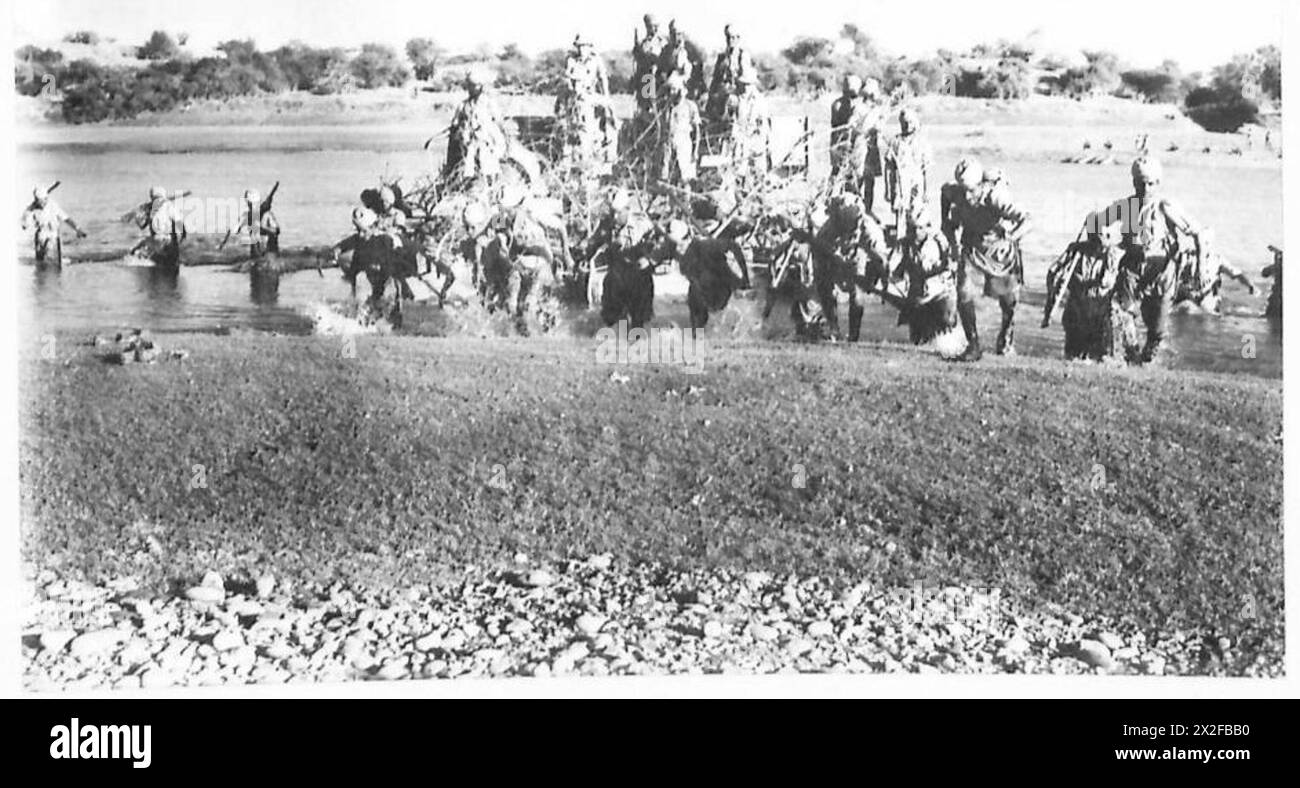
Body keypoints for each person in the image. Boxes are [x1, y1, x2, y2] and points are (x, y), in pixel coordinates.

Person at [1097, 156, 1205, 364]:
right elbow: (1096, 222)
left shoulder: (1166, 207)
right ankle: (1131, 355)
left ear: (1158, 184)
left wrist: (1199, 267)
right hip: (1133, 267)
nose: (1145, 189)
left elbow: (1198, 233)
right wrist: (1105, 241)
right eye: (1141, 184)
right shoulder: (1125, 206)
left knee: (1157, 329)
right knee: (1120, 311)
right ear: (1134, 183)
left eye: (1151, 184)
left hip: (1162, 271)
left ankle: (1148, 359)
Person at [940, 157, 1031, 360]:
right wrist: (946, 225)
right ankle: (973, 345)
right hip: (972, 248)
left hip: (999, 254)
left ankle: (1006, 340)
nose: (967, 196)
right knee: (963, 291)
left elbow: (1027, 219)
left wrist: (1011, 237)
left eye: (971, 191)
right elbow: (944, 193)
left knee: (1008, 301)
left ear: (980, 185)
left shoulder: (996, 197)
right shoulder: (956, 192)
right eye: (964, 191)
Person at [659, 218, 750, 331]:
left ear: (687, 239)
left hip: (720, 288)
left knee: (698, 291)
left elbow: (734, 246)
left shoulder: (707, 246)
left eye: (679, 244)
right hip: (701, 291)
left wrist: (744, 277)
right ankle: (699, 332)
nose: (678, 249)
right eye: (673, 244)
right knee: (695, 293)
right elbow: (656, 256)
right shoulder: (674, 249)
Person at [445, 73, 507, 185]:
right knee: (468, 171)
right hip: (468, 144)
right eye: (470, 85)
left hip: (487, 143)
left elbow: (498, 121)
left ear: (480, 86)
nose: (472, 88)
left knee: (489, 169)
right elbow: (455, 124)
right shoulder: (463, 105)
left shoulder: (489, 103)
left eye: (474, 85)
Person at [882, 107, 934, 239]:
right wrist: (888, 189)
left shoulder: (922, 142)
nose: (907, 125)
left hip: (916, 181)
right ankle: (900, 242)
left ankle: (914, 242)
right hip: (900, 181)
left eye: (910, 122)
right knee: (900, 212)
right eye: (904, 122)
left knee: (916, 212)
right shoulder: (895, 142)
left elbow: (926, 168)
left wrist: (927, 190)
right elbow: (888, 167)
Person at [20, 185, 85, 267]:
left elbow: (66, 218)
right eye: (39, 202)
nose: (42, 204)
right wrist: (25, 223)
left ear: (46, 199)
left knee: (54, 264)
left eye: (43, 201)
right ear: (36, 200)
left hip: (53, 236)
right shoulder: (31, 208)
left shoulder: (53, 206)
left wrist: (77, 229)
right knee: (40, 264)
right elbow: (24, 222)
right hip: (40, 237)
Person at [658, 75, 701, 185]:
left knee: (685, 179)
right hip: (669, 146)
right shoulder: (666, 106)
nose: (671, 93)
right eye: (670, 90)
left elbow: (697, 131)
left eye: (674, 89)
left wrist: (695, 151)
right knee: (667, 178)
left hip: (684, 146)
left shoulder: (690, 106)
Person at [706, 24, 753, 123]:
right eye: (728, 37)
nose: (730, 40)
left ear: (738, 38)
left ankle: (740, 130)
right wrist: (712, 93)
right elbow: (716, 78)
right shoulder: (722, 57)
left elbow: (746, 77)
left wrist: (734, 85)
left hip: (739, 92)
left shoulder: (743, 55)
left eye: (732, 38)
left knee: (739, 108)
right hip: (723, 91)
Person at [729, 72, 771, 180]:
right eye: (744, 84)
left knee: (759, 167)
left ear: (753, 85)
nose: (746, 87)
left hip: (756, 137)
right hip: (742, 137)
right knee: (739, 167)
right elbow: (735, 119)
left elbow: (764, 123)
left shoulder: (760, 101)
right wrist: (736, 133)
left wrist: (762, 138)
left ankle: (759, 188)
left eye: (748, 85)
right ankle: (741, 188)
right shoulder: (739, 100)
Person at [221, 188, 280, 257]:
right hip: (257, 254)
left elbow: (276, 231)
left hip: (270, 253)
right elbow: (234, 230)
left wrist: (263, 229)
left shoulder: (268, 216)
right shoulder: (247, 216)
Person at [632, 14, 668, 115]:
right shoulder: (644, 43)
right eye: (652, 26)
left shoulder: (663, 42)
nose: (655, 29)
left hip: (659, 78)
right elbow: (638, 60)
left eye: (657, 26)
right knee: (645, 105)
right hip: (646, 78)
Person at [1262, 246, 1282, 320]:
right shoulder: (1277, 266)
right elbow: (1264, 273)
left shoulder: (1277, 266)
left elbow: (1264, 273)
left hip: (1277, 297)